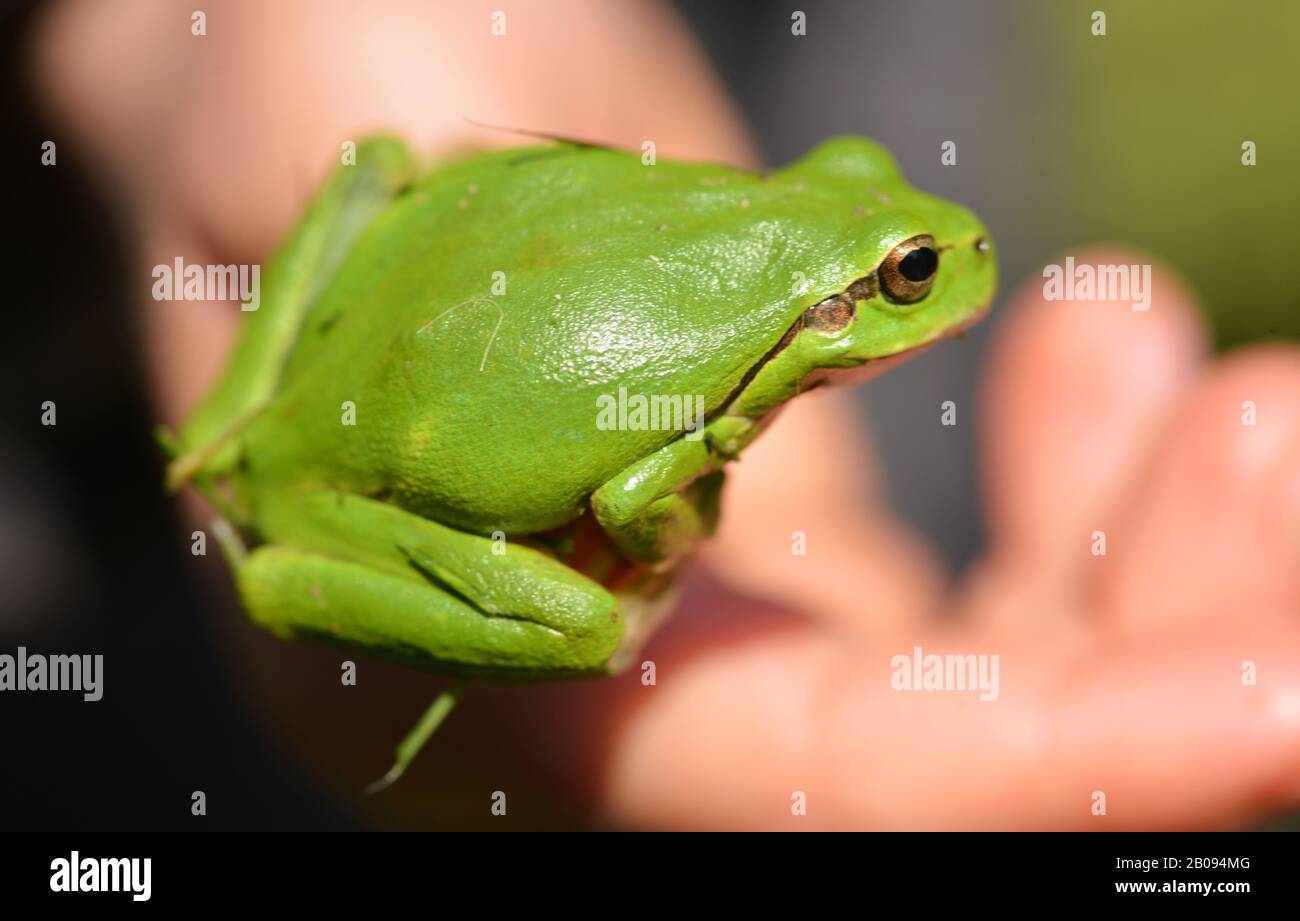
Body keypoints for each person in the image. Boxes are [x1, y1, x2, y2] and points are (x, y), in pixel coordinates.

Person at [32, 0, 1300, 829]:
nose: (953, 263)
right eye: (910, 274)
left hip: (393, 305)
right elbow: (637, 498)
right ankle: (271, 533)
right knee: (591, 623)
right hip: (312, 493)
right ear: (839, 308)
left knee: (374, 162)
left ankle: (242, 431)